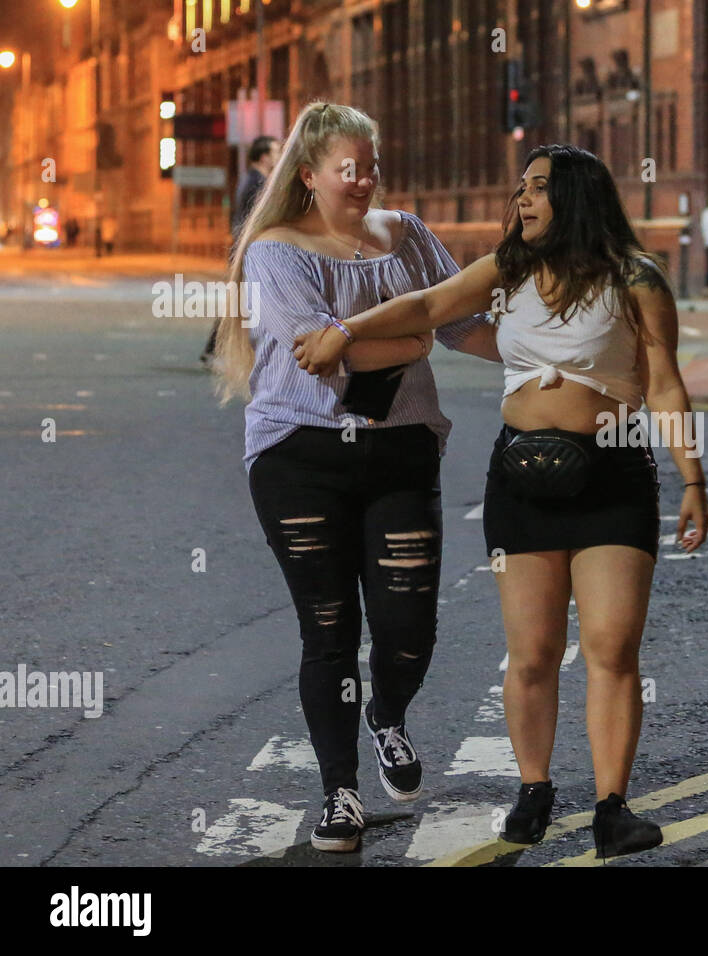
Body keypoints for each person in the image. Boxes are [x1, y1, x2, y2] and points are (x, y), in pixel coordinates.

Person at [294, 143, 708, 859]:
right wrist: (346, 331)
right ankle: (534, 789)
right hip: (520, 478)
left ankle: (612, 807)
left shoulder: (634, 275)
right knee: (533, 653)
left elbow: (666, 381)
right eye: (519, 188)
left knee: (612, 648)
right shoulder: (509, 270)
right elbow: (428, 306)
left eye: (538, 189)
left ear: (576, 197)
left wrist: (693, 477)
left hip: (613, 472)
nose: (521, 200)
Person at [212, 102, 499, 852]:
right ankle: (339, 794)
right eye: (350, 168)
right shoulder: (276, 250)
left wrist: (551, 354)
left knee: (409, 626)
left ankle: (388, 716)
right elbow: (320, 353)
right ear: (308, 175)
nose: (366, 179)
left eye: (372, 164)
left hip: (400, 448)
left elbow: (462, 320)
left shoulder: (404, 235)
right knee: (329, 630)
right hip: (298, 456)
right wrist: (415, 329)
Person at [204, 135, 284, 364]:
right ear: (264, 156)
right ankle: (216, 349)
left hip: (247, 249)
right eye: (276, 152)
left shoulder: (251, 179)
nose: (279, 157)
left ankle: (216, 349)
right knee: (242, 301)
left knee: (241, 301)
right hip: (250, 250)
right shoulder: (257, 182)